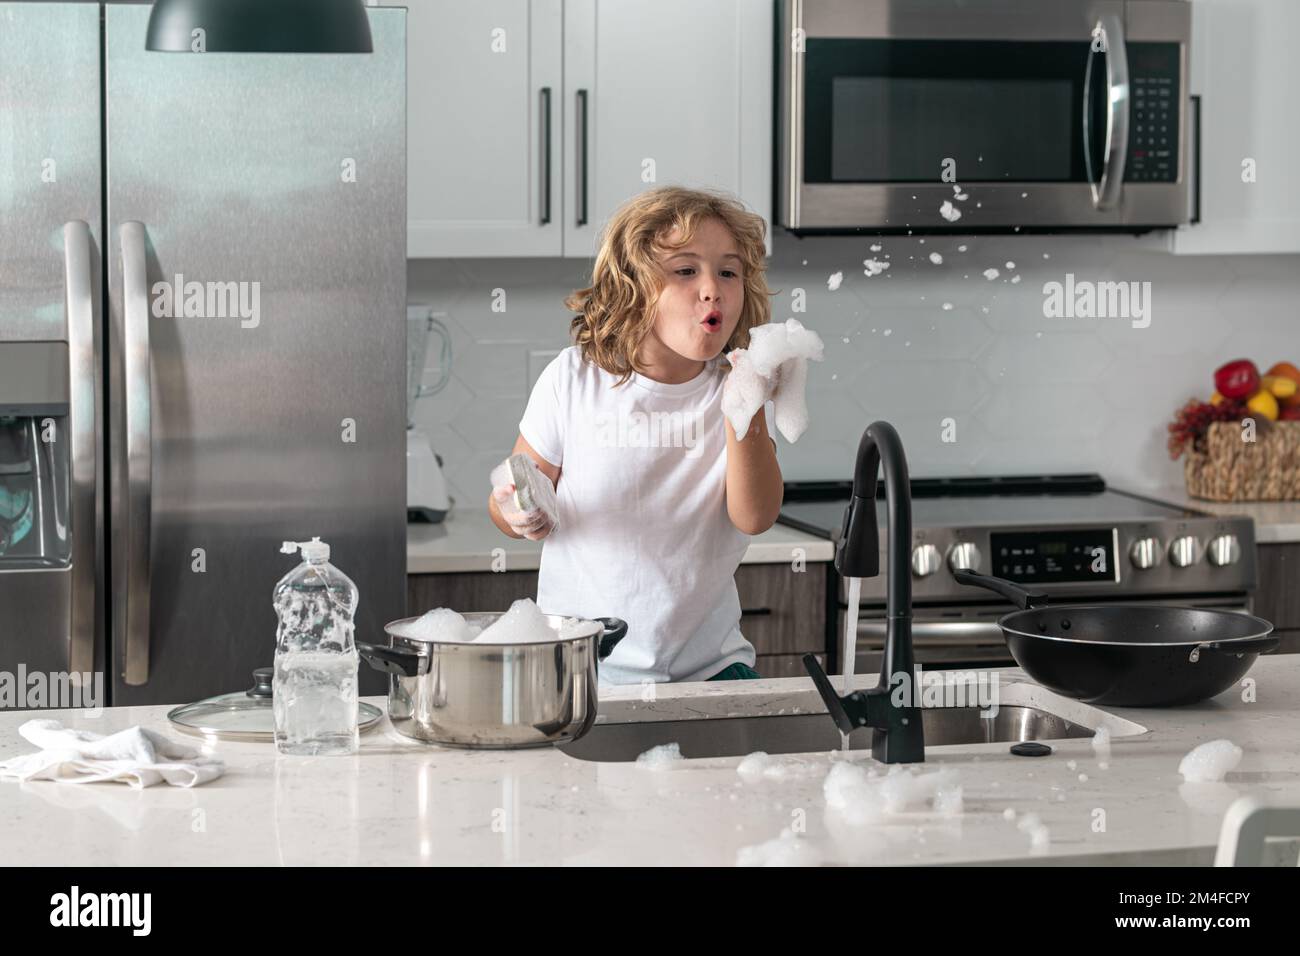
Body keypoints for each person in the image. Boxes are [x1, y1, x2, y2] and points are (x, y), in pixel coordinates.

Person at [488, 186, 785, 683]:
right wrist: (518, 510)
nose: (712, 287)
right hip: (583, 670)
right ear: (633, 287)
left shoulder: (738, 388)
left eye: (728, 271)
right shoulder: (574, 379)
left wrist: (747, 405)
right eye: (686, 271)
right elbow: (509, 500)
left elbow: (754, 516)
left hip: (711, 668)